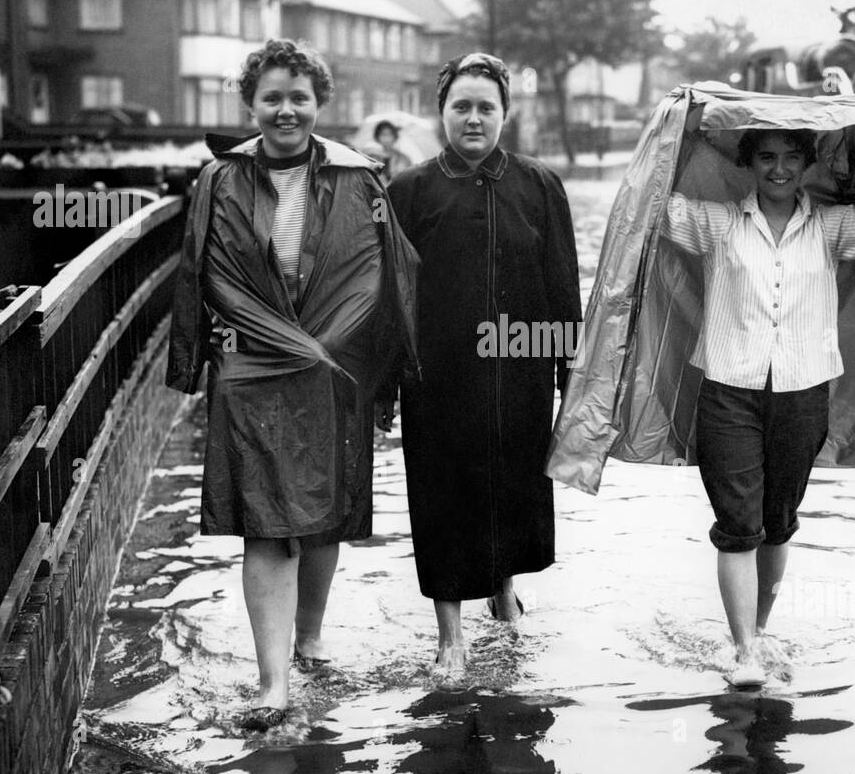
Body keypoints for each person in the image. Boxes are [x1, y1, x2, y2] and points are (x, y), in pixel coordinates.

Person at [166, 39, 417, 731]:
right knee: (264, 525)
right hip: (250, 365)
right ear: (251, 104)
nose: (286, 110)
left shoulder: (358, 177)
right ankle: (273, 680)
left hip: (333, 368)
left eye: (298, 97)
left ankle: (309, 638)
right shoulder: (220, 178)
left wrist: (367, 367)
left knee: (322, 515)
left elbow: (383, 275)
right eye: (272, 97)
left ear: (318, 104)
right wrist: (200, 359)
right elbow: (203, 270)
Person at [660, 118, 855, 687]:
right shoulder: (718, 224)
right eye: (766, 158)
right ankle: (744, 655)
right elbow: (650, 205)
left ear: (808, 163)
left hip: (804, 394)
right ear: (749, 163)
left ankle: (756, 632)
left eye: (791, 157)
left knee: (777, 525)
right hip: (728, 392)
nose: (779, 169)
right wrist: (678, 125)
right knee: (737, 524)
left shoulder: (831, 228)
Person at [384, 53, 581, 675]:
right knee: (443, 492)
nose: (473, 119)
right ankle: (450, 633)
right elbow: (391, 292)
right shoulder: (410, 190)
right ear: (441, 113)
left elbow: (561, 282)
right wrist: (390, 379)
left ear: (506, 114)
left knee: (512, 483)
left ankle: (502, 591)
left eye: (485, 108)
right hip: (437, 372)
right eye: (461, 107)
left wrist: (565, 370)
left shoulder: (540, 185)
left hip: (519, 367)